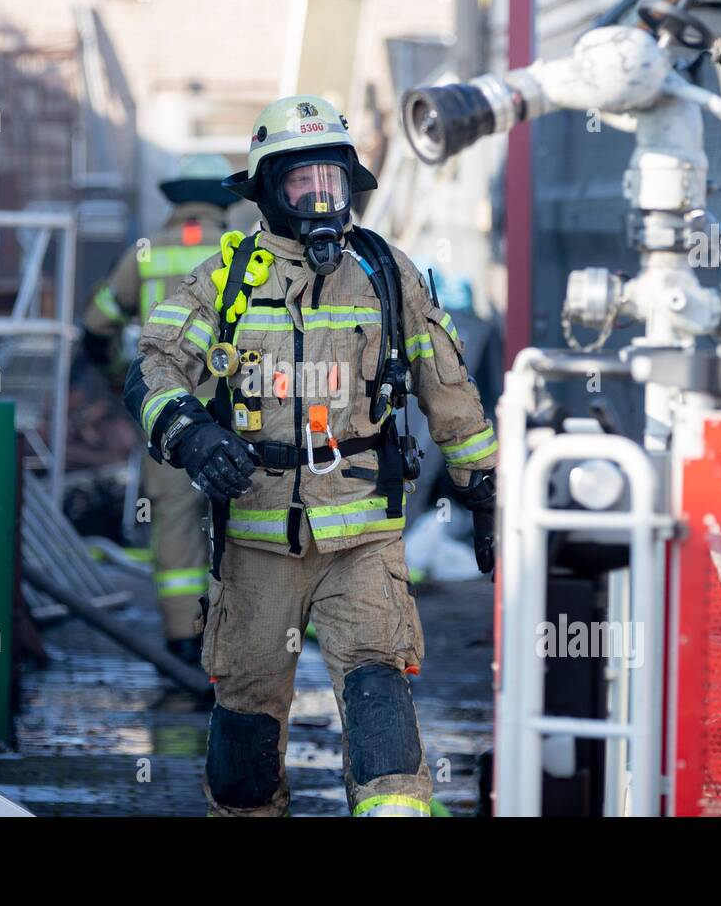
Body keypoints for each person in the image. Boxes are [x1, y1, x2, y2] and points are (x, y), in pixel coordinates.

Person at [124, 95, 497, 817]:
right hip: (258, 548)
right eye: (303, 184)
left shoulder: (386, 274)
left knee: (379, 696)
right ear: (268, 191)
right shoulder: (226, 281)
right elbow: (154, 367)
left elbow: (447, 383)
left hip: (363, 540)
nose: (321, 199)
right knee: (244, 735)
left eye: (332, 181)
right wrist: (193, 433)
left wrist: (483, 486)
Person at [80, 153, 237, 664]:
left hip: (166, 415)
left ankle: (182, 638)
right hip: (239, 416)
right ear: (223, 202)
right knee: (245, 524)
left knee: (173, 522)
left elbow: (97, 326)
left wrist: (125, 382)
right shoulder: (243, 253)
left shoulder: (144, 254)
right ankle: (238, 640)